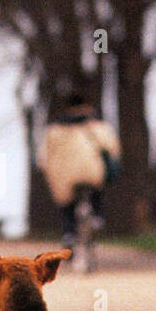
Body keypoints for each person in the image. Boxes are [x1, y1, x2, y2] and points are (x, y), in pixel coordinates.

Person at [39, 92, 121, 248]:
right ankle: (97, 218)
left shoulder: (54, 130)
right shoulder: (99, 127)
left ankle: (68, 235)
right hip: (92, 172)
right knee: (97, 191)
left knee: (67, 206)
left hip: (65, 177)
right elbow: (113, 149)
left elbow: (43, 158)